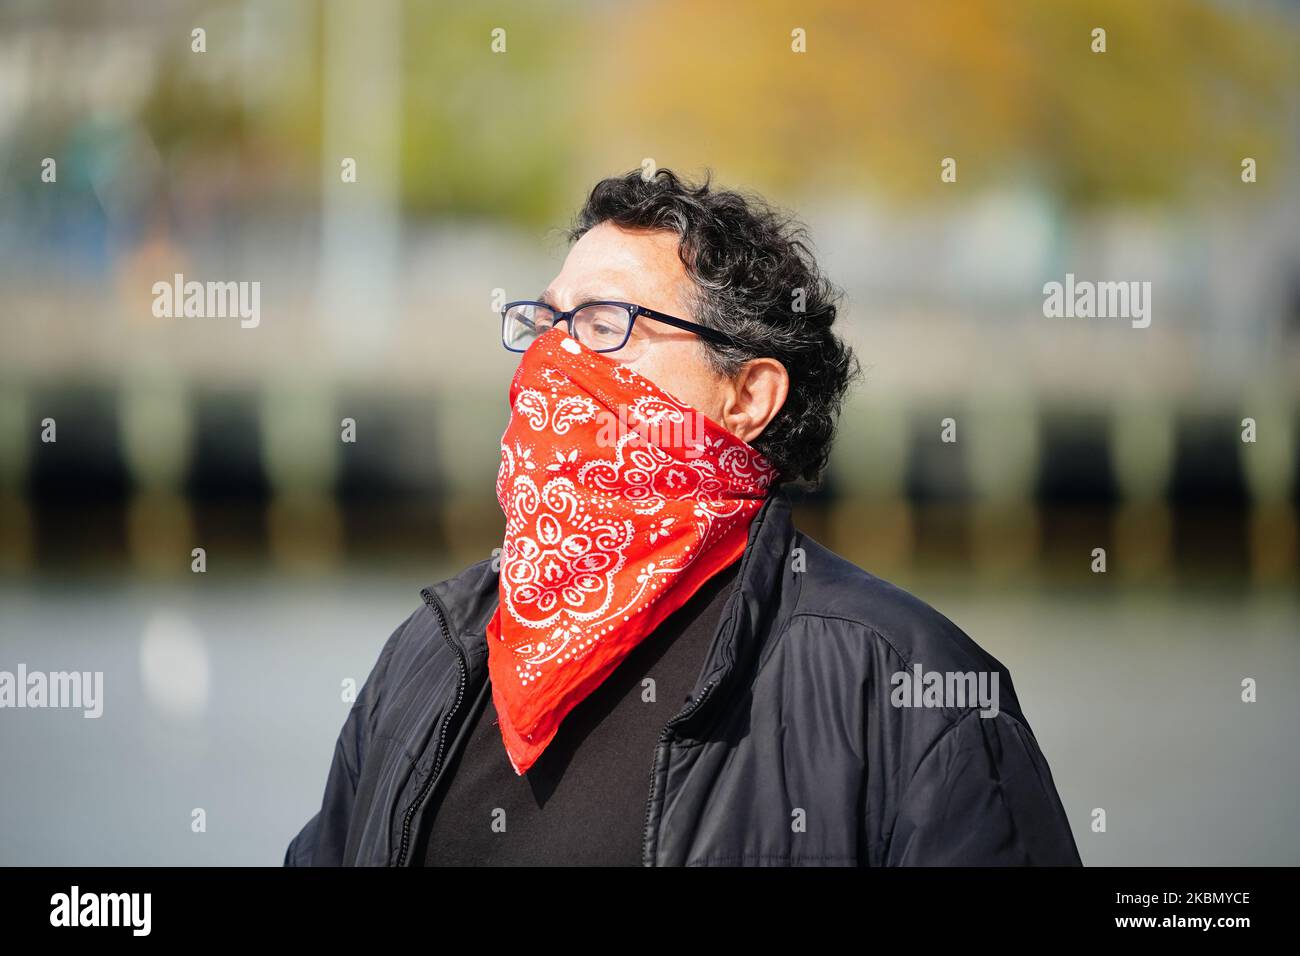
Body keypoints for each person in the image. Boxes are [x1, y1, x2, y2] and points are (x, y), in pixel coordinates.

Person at [284, 167, 1082, 866]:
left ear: (747, 397)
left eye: (604, 325)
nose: (553, 361)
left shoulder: (912, 692)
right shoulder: (434, 654)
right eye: (545, 322)